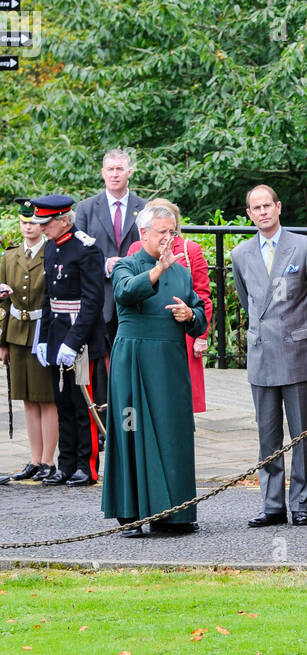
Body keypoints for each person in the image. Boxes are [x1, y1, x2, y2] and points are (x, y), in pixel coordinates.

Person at [100, 204, 207, 537]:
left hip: (171, 363)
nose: (168, 239)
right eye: (162, 232)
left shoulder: (182, 272)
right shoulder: (126, 265)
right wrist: (158, 271)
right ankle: (130, 513)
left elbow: (200, 312)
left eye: (172, 232)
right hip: (133, 359)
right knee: (130, 430)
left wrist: (190, 316)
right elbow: (125, 292)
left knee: (172, 432)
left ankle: (174, 513)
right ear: (143, 233)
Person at [231, 185, 307, 528]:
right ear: (248, 214)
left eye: (267, 205)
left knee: (302, 434)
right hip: (262, 354)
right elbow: (248, 301)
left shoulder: (304, 247)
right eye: (255, 207)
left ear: (279, 207)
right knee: (267, 435)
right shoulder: (240, 254)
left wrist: (294, 325)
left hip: (298, 351)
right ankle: (272, 505)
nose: (262, 212)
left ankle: (300, 503)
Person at [33, 195, 106, 487]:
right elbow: (49, 297)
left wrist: (73, 342)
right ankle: (65, 464)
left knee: (82, 405)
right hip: (58, 334)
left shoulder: (85, 249)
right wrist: (43, 339)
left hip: (81, 338)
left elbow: (92, 302)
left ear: (64, 220)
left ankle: (86, 466)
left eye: (47, 223)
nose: (43, 228)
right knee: (62, 402)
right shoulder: (52, 248)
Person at [74, 150, 147, 423]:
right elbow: (78, 253)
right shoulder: (86, 208)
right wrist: (105, 264)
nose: (114, 174)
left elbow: (151, 248)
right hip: (98, 297)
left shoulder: (145, 206)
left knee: (132, 360)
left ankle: (132, 420)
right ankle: (104, 424)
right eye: (110, 169)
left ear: (130, 172)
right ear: (102, 173)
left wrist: (128, 267)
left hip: (134, 296)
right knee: (98, 364)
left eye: (120, 169)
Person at [127, 198, 212, 412]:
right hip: (147, 331)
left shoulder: (189, 249)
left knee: (182, 392)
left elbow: (202, 294)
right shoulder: (136, 249)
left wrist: (201, 336)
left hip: (181, 331)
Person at [0, 203, 58, 484]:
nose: (28, 226)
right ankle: (35, 460)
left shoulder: (53, 252)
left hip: (41, 331)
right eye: (24, 222)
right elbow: (2, 304)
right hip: (16, 333)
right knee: (27, 399)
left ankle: (49, 460)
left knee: (46, 398)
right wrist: (1, 341)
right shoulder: (9, 257)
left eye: (34, 222)